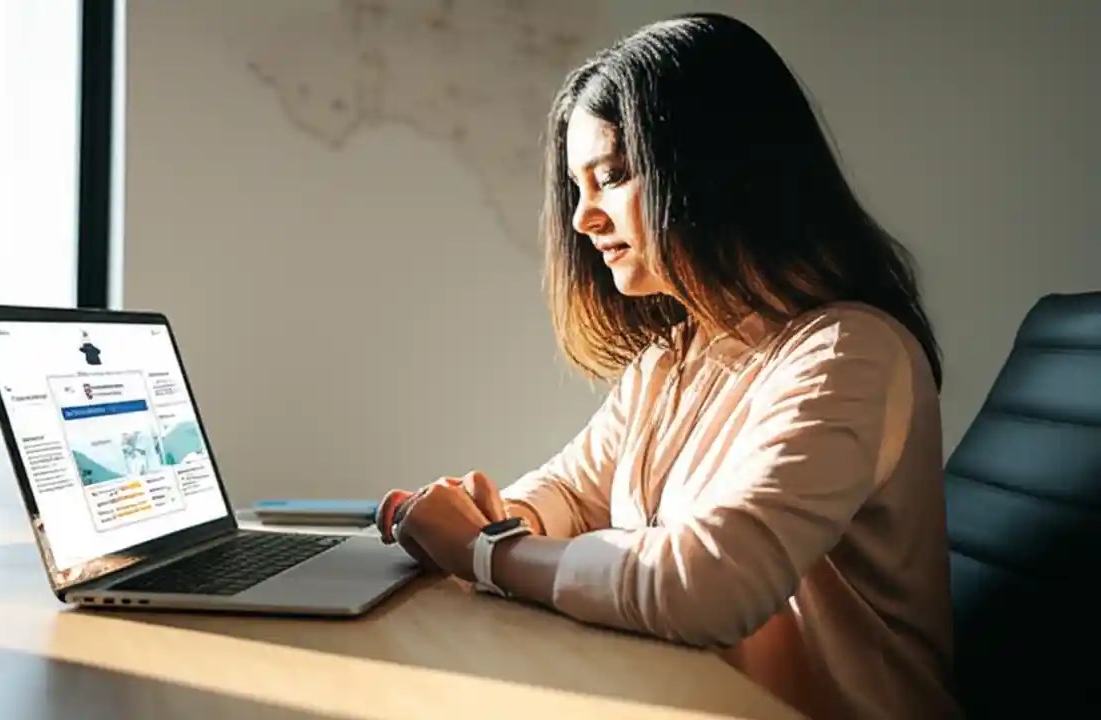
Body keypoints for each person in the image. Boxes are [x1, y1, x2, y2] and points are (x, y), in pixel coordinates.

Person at [380, 12, 961, 720]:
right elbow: (576, 491)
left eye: (614, 177)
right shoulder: (677, 356)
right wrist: (501, 515)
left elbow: (704, 586)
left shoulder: (849, 354)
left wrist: (483, 552)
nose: (582, 219)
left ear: (721, 168)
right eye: (578, 187)